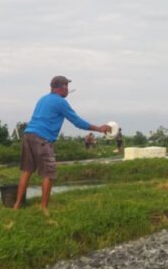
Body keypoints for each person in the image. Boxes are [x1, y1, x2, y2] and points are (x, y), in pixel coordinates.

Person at [14, 76, 111, 212]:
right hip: (42, 138)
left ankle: (17, 206)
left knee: (27, 171)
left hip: (28, 135)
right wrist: (99, 128)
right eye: (67, 86)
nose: (68, 90)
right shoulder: (60, 102)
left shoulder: (42, 99)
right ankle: (44, 209)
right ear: (62, 87)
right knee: (49, 173)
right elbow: (78, 122)